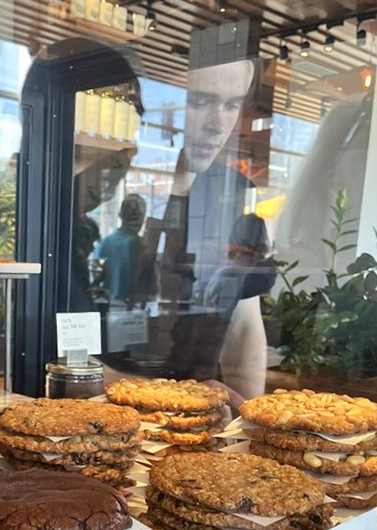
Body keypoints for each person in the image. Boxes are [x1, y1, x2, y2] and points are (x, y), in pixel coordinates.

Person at [132, 57, 273, 399]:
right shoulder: (122, 182)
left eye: (231, 104)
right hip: (102, 406)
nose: (218, 123)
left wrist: (249, 421)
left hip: (196, 410)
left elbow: (243, 324)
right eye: (199, 102)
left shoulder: (235, 194)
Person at [94, 194, 146, 303]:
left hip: (106, 304)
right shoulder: (140, 245)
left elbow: (96, 279)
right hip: (131, 305)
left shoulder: (104, 243)